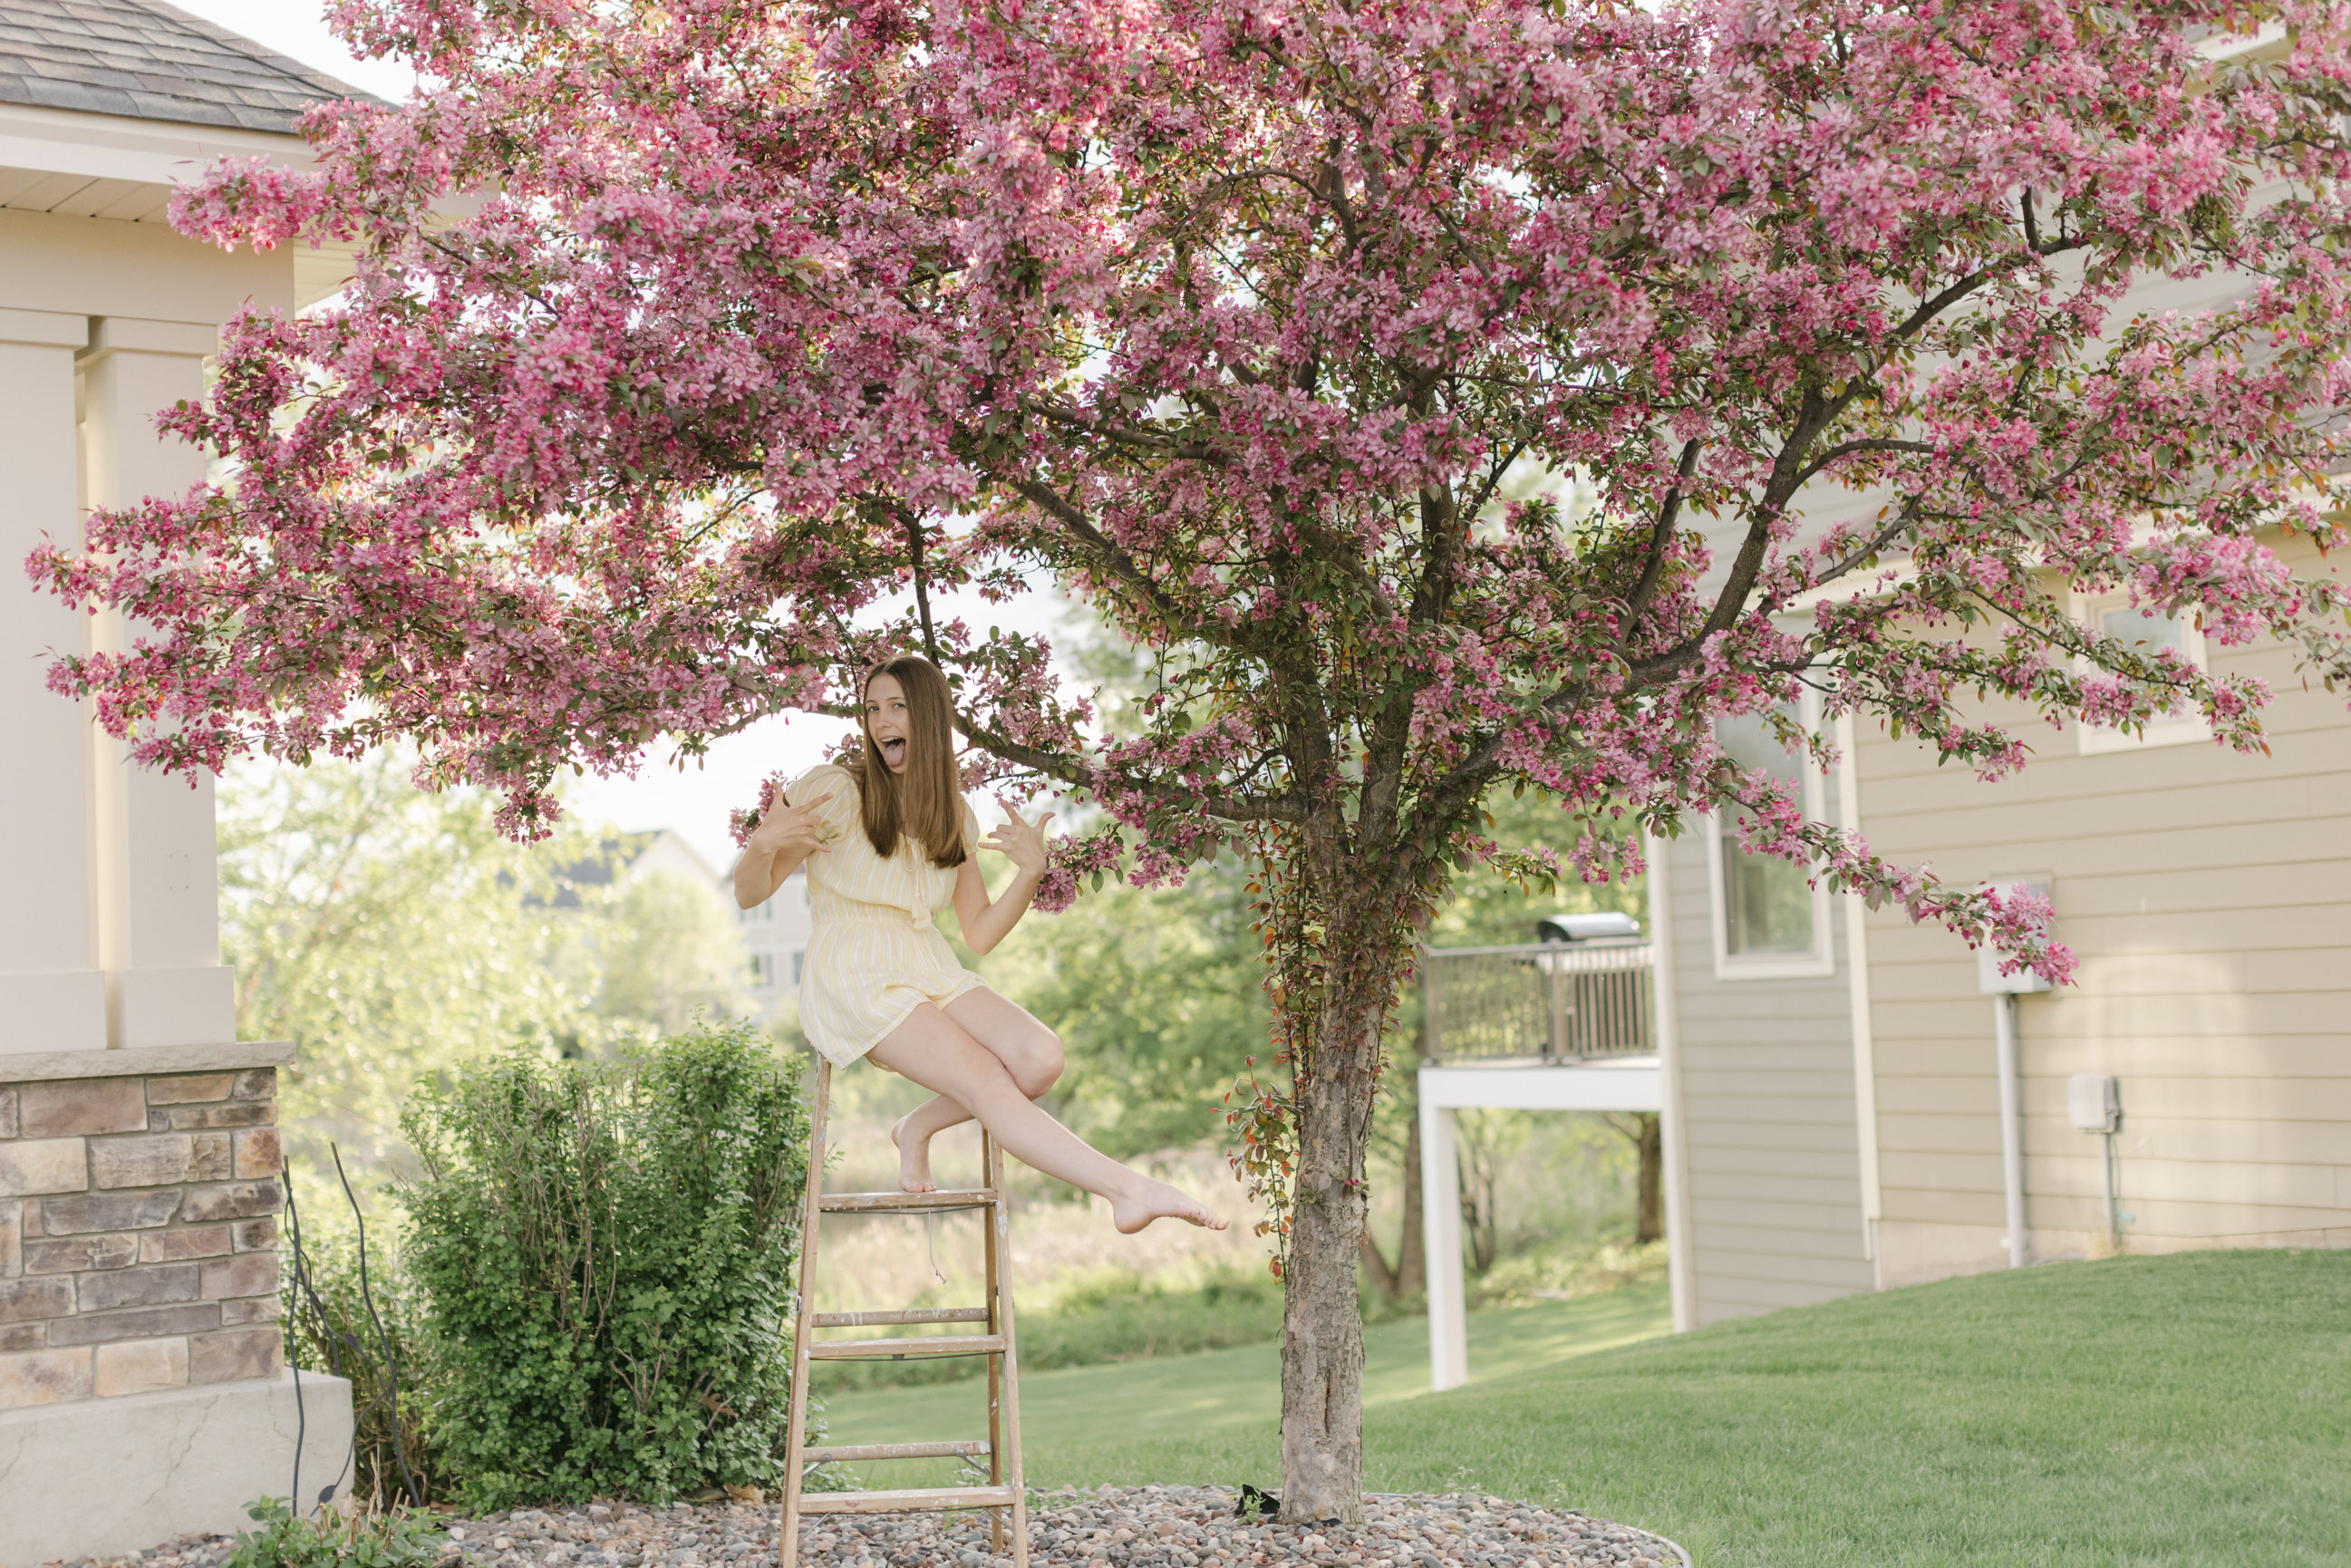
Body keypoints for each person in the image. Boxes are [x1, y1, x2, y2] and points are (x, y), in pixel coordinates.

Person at [733, 654, 1227, 1233]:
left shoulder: (953, 814)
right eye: (872, 709)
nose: (882, 721)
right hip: (854, 971)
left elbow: (981, 933)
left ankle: (916, 1126)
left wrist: (1030, 873)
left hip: (926, 963)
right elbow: (750, 893)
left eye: (897, 707)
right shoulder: (835, 790)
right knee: (986, 1078)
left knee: (1039, 1058)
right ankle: (1128, 1190)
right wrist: (762, 844)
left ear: (928, 717)